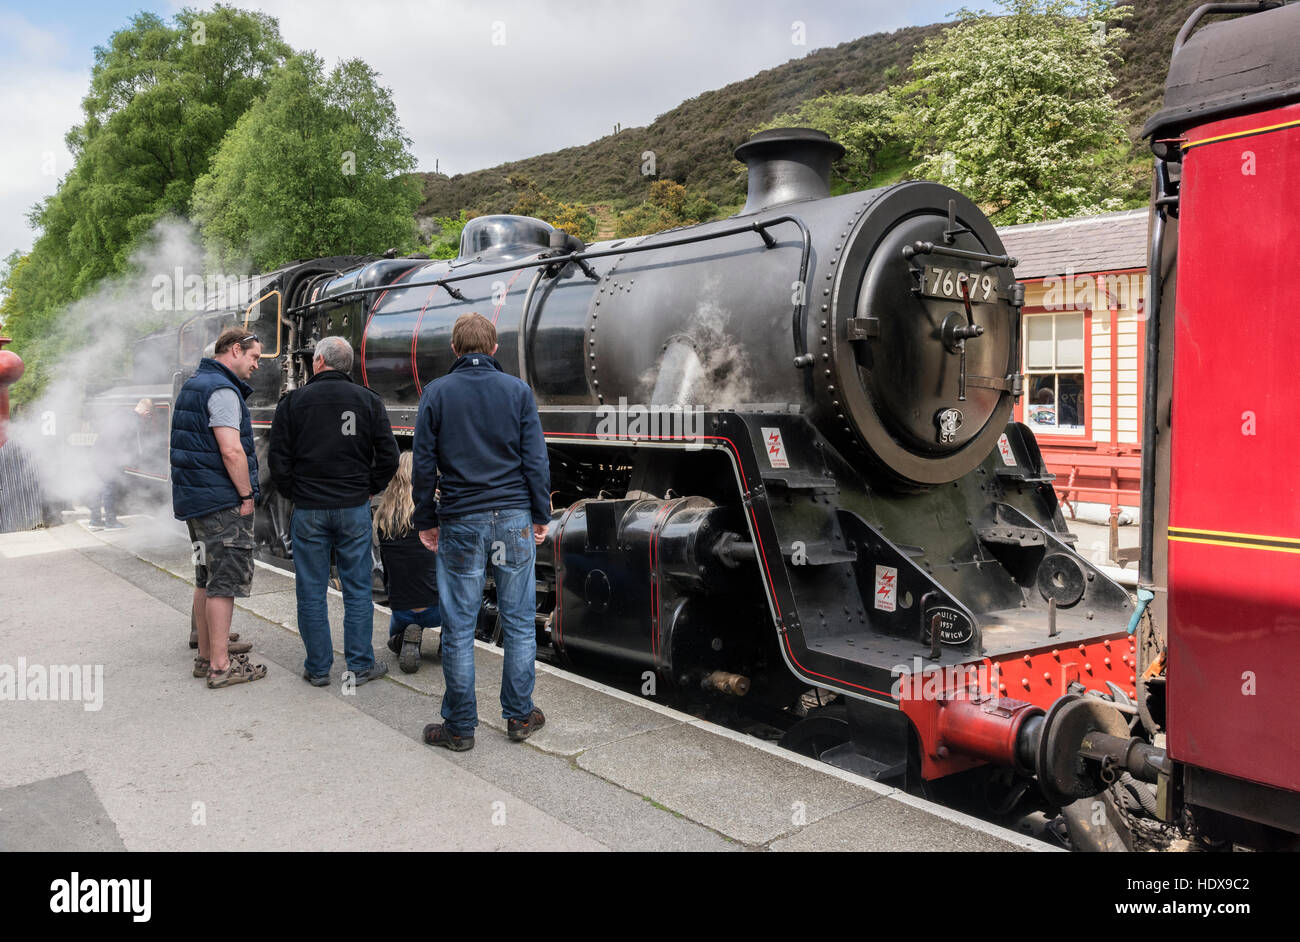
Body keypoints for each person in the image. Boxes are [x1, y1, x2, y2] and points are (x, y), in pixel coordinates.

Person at [412, 312, 551, 752]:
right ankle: (519, 716)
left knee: (457, 628)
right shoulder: (518, 392)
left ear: (455, 349)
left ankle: (459, 727)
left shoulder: (436, 393)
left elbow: (422, 465)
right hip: (512, 519)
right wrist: (540, 514)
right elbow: (535, 461)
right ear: (494, 349)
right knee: (519, 623)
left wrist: (425, 519)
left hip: (460, 519)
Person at [269, 335, 400, 687]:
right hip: (352, 507)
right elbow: (389, 456)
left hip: (309, 508)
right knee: (357, 588)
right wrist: (367, 487)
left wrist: (297, 492)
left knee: (310, 589)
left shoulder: (293, 402)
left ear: (319, 362)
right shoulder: (368, 401)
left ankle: (318, 668)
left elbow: (277, 461)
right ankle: (359, 665)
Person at [169, 328, 266, 688]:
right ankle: (222, 667)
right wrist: (245, 496)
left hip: (196, 501)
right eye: (254, 357)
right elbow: (231, 449)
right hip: (221, 502)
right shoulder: (223, 391)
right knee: (223, 584)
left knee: (205, 578)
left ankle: (207, 655)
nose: (257, 365)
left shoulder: (196, 383)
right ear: (235, 350)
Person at [375, 451, 442, 674]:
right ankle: (449, 643)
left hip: (400, 608)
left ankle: (405, 635)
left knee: (394, 638)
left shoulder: (383, 518)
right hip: (436, 611)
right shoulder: (432, 513)